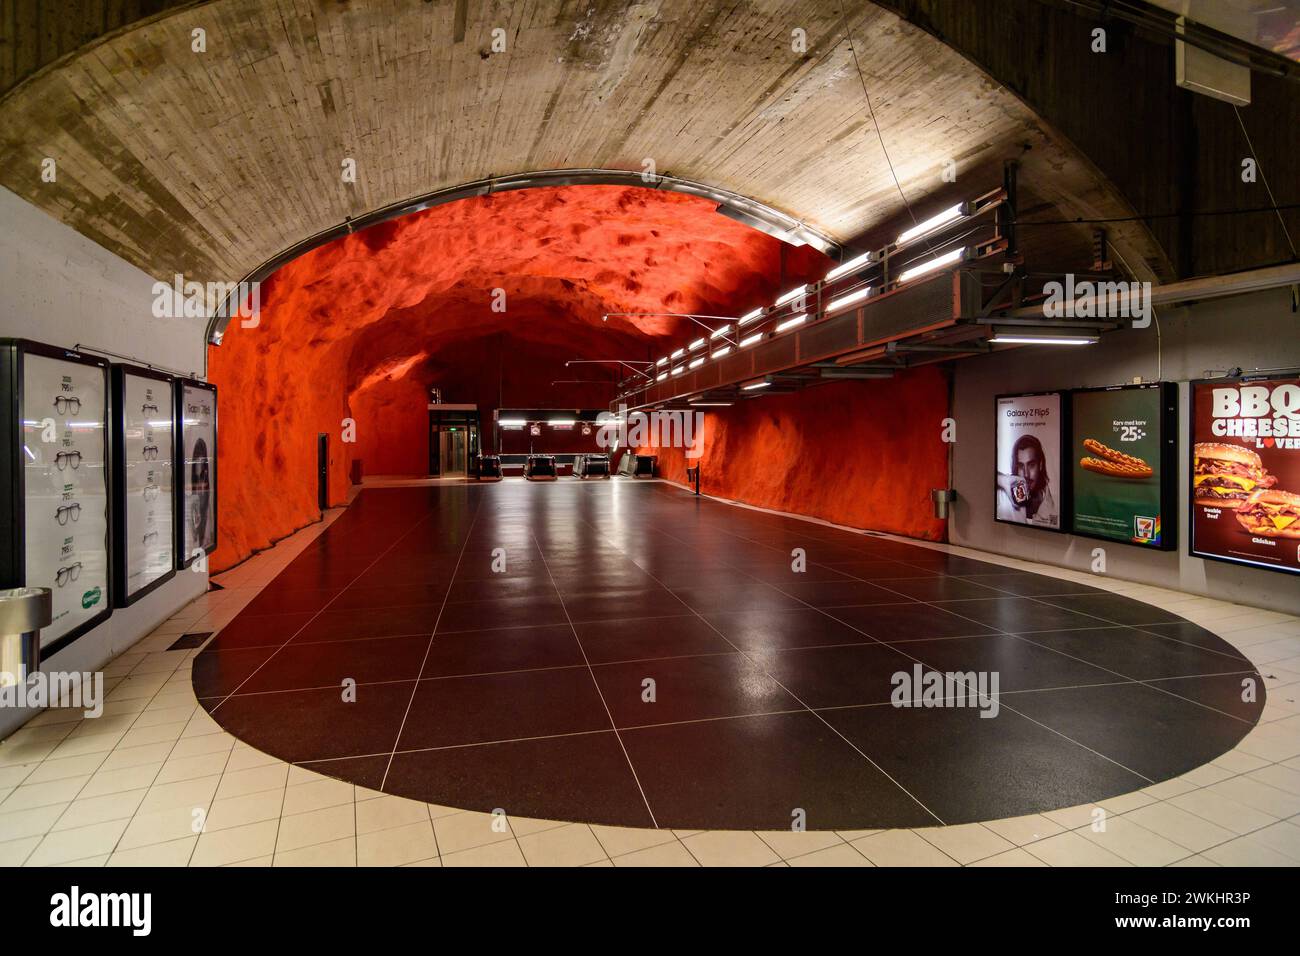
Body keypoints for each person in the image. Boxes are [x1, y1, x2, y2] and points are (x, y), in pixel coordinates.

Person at [997, 434, 1058, 527]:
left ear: (1040, 465)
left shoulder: (1056, 503)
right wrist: (1003, 479)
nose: (1026, 474)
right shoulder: (1003, 497)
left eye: (1031, 465)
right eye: (1021, 466)